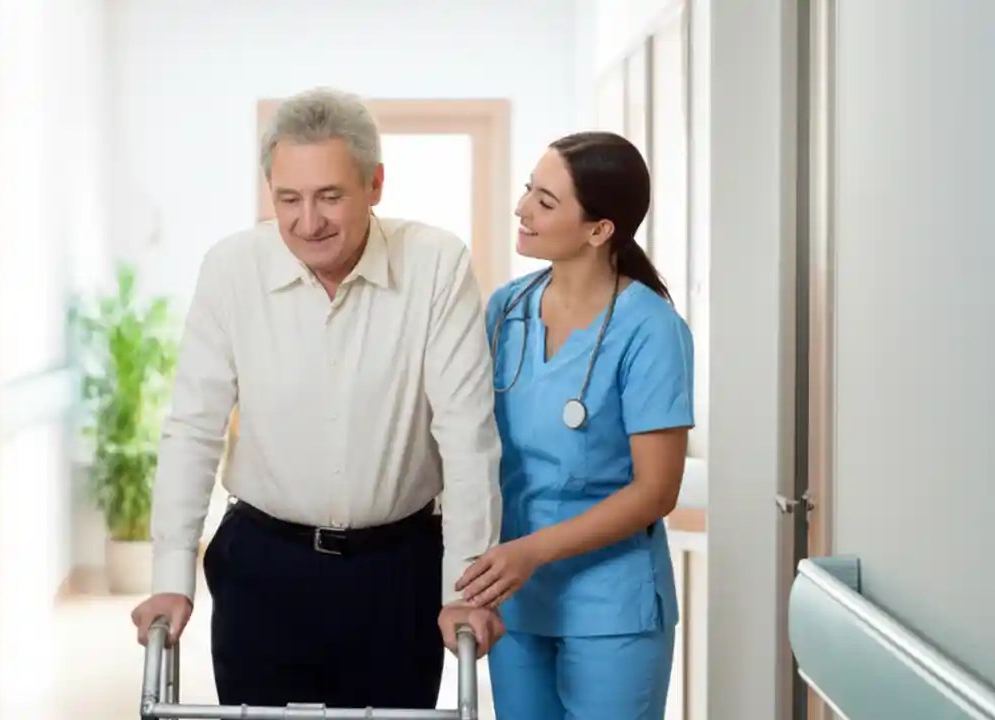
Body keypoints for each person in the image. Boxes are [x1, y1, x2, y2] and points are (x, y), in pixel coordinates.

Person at [129, 86, 506, 711]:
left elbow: (467, 434)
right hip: (263, 567)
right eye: (289, 199)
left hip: (399, 569)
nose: (309, 222)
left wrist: (465, 585)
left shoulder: (436, 265)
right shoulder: (231, 268)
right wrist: (172, 580)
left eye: (330, 196)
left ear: (375, 183)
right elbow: (194, 427)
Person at [454, 131, 693, 719]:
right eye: (528, 190)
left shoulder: (650, 329)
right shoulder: (505, 310)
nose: (522, 208)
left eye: (546, 200)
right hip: (515, 597)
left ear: (599, 229)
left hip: (611, 605)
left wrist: (533, 551)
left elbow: (656, 491)